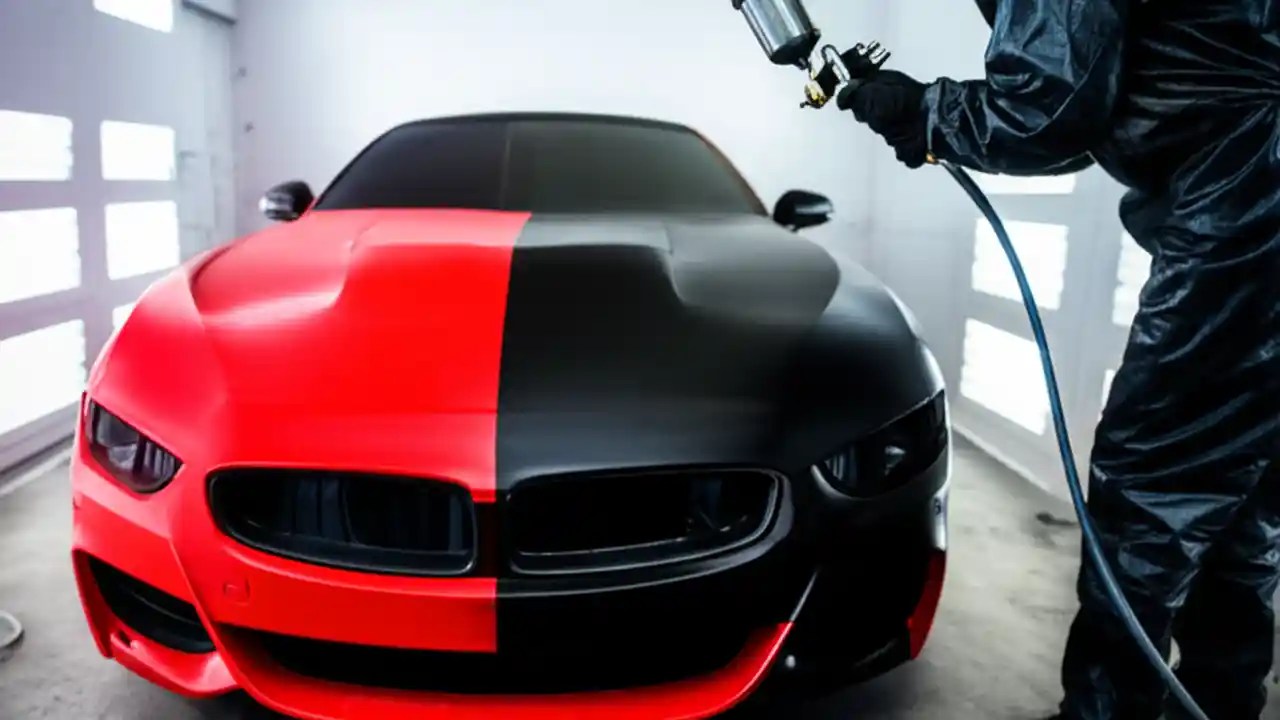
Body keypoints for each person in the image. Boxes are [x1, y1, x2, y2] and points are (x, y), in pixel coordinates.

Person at [836, 1, 1280, 718]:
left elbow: (1047, 108)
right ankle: (1220, 701)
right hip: (1252, 189)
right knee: (1237, 494)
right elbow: (1099, 102)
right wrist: (931, 112)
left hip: (1245, 211)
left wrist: (925, 113)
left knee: (1150, 493)